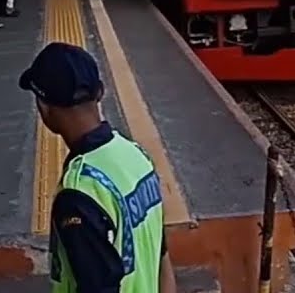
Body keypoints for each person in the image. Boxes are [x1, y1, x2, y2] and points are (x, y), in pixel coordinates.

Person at [20, 42, 177, 293]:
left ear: (44, 108)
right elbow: (162, 261)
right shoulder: (137, 157)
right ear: (100, 92)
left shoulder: (80, 192)